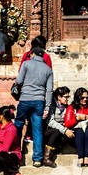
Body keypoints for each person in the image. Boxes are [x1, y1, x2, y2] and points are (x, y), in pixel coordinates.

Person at [12, 34, 54, 166]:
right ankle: (37, 159)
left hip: (25, 99)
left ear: (33, 53)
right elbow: (49, 90)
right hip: (39, 101)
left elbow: (19, 80)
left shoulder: (26, 62)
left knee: (18, 125)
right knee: (37, 129)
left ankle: (15, 154)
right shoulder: (48, 68)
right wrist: (47, 107)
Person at [0, 0, 27, 64]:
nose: (4, 3)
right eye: (2, 1)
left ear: (10, 0)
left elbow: (22, 26)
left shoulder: (16, 11)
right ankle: (0, 55)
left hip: (7, 37)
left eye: (6, 1)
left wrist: (22, 38)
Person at [66, 87, 88, 166]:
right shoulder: (71, 108)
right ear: (78, 97)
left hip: (87, 130)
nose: (85, 99)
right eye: (82, 97)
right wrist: (77, 118)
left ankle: (86, 157)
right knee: (80, 131)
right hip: (74, 132)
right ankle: (81, 157)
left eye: (87, 97)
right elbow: (67, 123)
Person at [43, 85, 71, 167]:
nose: (67, 99)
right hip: (49, 131)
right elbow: (50, 122)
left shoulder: (67, 107)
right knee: (55, 132)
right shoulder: (52, 106)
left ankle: (56, 149)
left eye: (68, 97)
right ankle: (46, 158)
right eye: (66, 97)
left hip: (60, 131)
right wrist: (64, 130)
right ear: (59, 97)